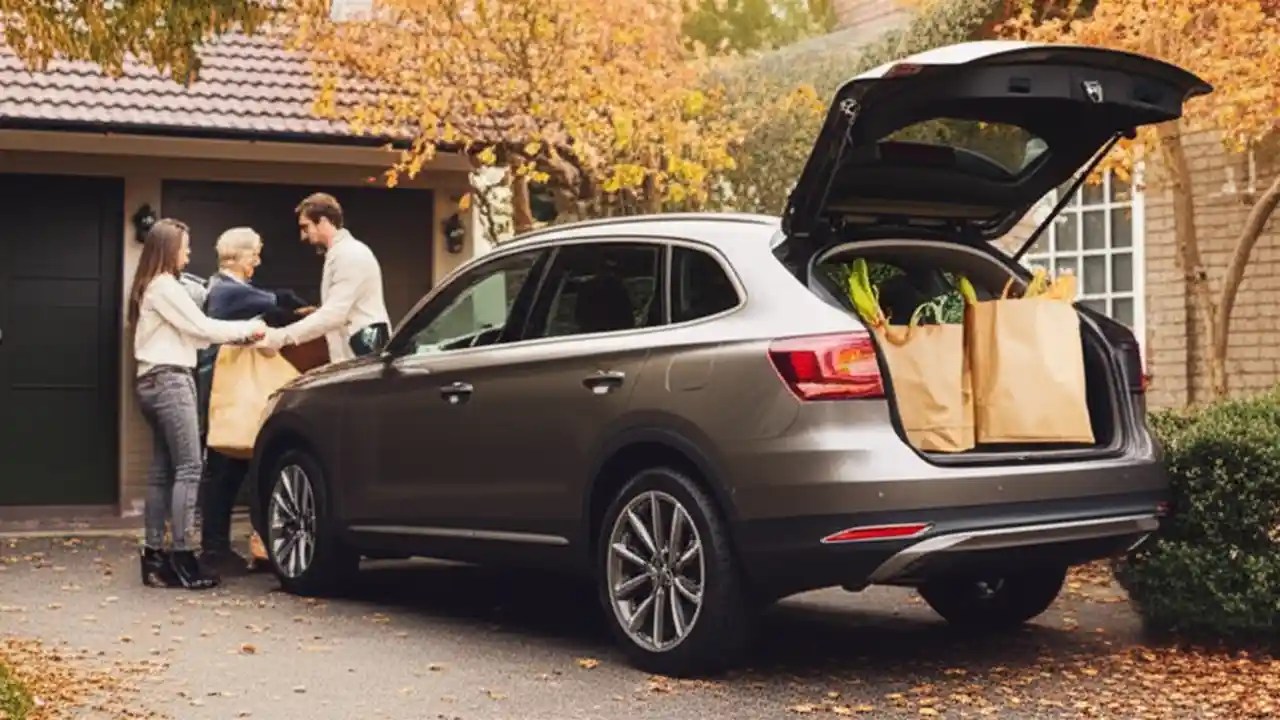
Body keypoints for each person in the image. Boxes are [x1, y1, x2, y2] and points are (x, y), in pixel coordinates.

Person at [128, 218, 265, 590]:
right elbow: (203, 329)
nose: (189, 252)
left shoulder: (149, 287)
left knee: (161, 472)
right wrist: (248, 331)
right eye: (185, 246)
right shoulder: (164, 286)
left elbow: (196, 337)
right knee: (190, 467)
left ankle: (155, 559)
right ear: (169, 248)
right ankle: (185, 558)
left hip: (151, 380)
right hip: (171, 381)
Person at [195, 226, 311, 577]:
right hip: (226, 391)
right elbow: (271, 302)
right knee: (222, 472)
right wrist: (301, 308)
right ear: (239, 256)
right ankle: (214, 550)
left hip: (233, 390)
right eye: (254, 255)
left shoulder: (232, 288)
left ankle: (231, 547)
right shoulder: (225, 290)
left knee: (233, 470)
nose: (257, 261)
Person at [258, 192, 390, 359]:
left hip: (361, 354)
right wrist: (317, 313)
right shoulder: (343, 253)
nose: (303, 236)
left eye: (305, 227)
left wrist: (282, 337)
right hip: (356, 353)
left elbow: (334, 314)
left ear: (323, 221)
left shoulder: (350, 254)